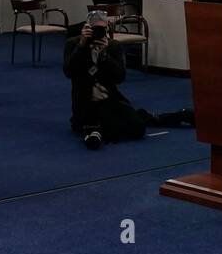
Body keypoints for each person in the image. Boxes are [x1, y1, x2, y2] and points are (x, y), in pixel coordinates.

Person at [63, 11, 193, 150]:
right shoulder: (74, 44)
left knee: (138, 128)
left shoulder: (113, 46)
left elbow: (119, 77)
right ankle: (94, 129)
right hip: (85, 103)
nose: (99, 32)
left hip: (110, 101)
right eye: (95, 28)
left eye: (103, 29)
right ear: (87, 28)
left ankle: (95, 130)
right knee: (104, 124)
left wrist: (104, 55)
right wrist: (82, 46)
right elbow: (69, 71)